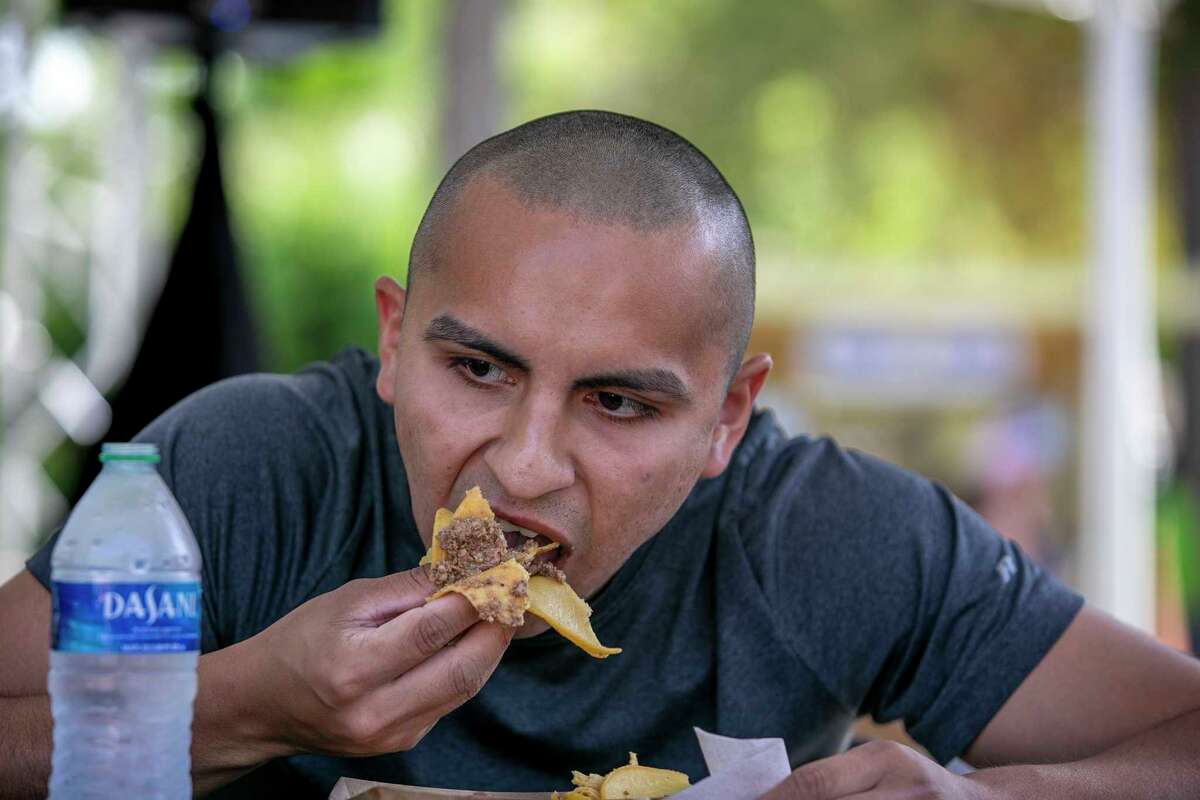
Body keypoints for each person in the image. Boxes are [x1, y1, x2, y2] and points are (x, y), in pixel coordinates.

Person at [2, 111, 1198, 800]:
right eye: (476, 368)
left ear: (729, 418)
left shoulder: (818, 533)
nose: (523, 467)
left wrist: (984, 797)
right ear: (391, 338)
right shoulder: (252, 469)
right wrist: (246, 704)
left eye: (618, 403)